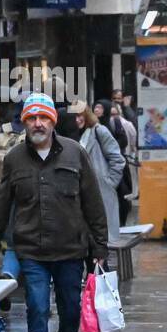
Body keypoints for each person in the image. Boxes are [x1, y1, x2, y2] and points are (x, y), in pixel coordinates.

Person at [0, 93, 108, 332]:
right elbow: (2, 205)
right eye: (32, 118)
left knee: (70, 314)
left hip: (70, 249)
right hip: (32, 251)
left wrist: (100, 248)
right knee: (36, 311)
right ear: (25, 122)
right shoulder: (15, 158)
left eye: (43, 118)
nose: (38, 124)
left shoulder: (74, 152)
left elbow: (93, 203)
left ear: (53, 121)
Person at [68, 100, 126, 244]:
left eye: (80, 115)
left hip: (100, 190)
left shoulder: (99, 131)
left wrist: (109, 182)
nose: (78, 119)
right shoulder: (69, 135)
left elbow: (117, 160)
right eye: (74, 116)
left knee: (101, 241)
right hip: (78, 193)